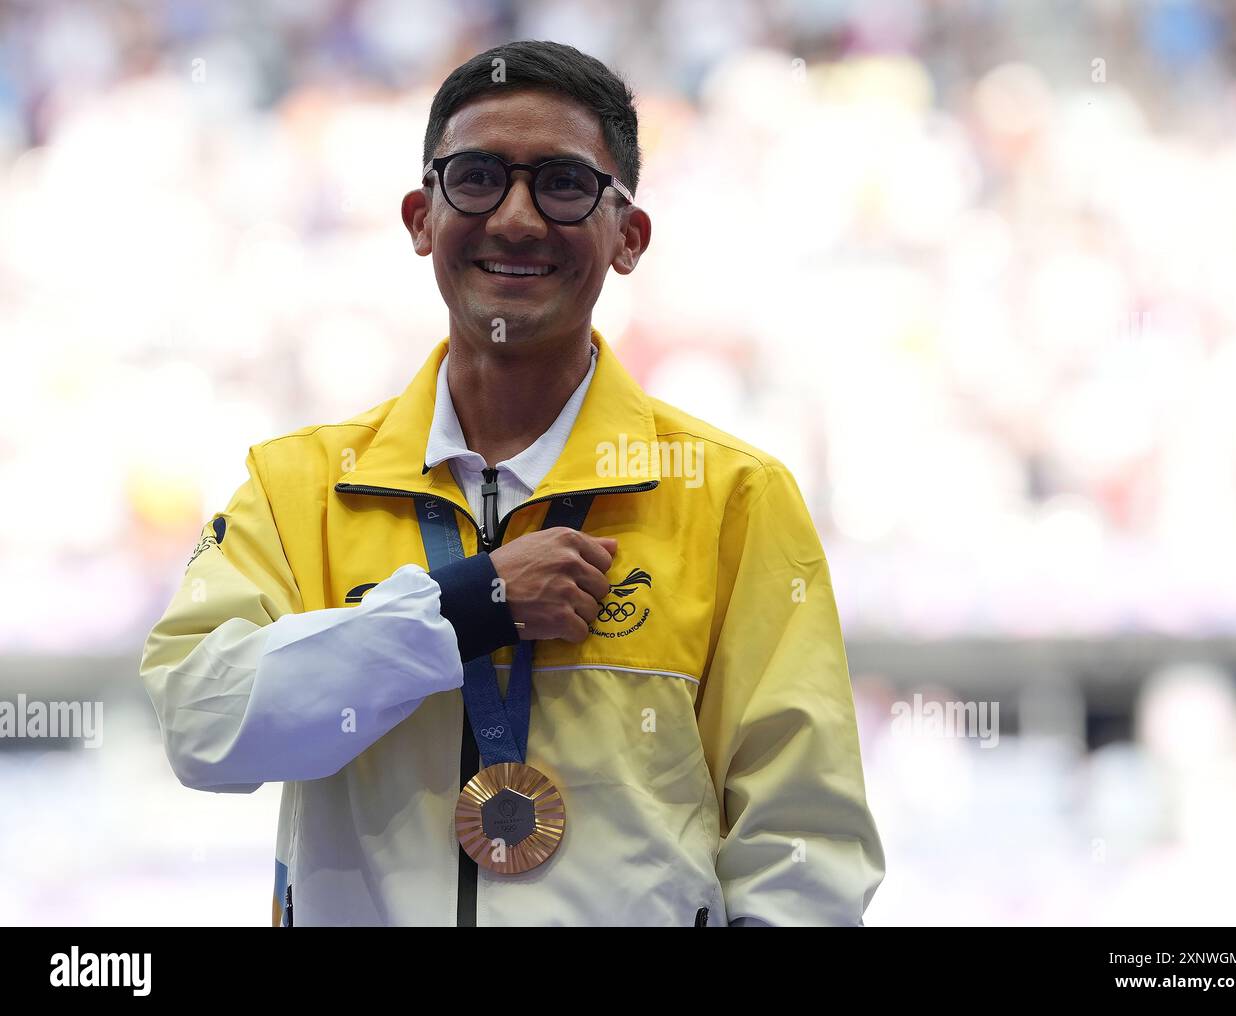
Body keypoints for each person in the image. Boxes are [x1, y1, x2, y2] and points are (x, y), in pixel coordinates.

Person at [139, 40, 885, 927]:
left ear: (628, 236)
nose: (518, 219)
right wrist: (464, 608)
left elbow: (803, 847)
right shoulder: (298, 486)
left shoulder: (733, 497)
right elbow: (204, 725)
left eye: (565, 184)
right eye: (479, 178)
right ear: (421, 218)